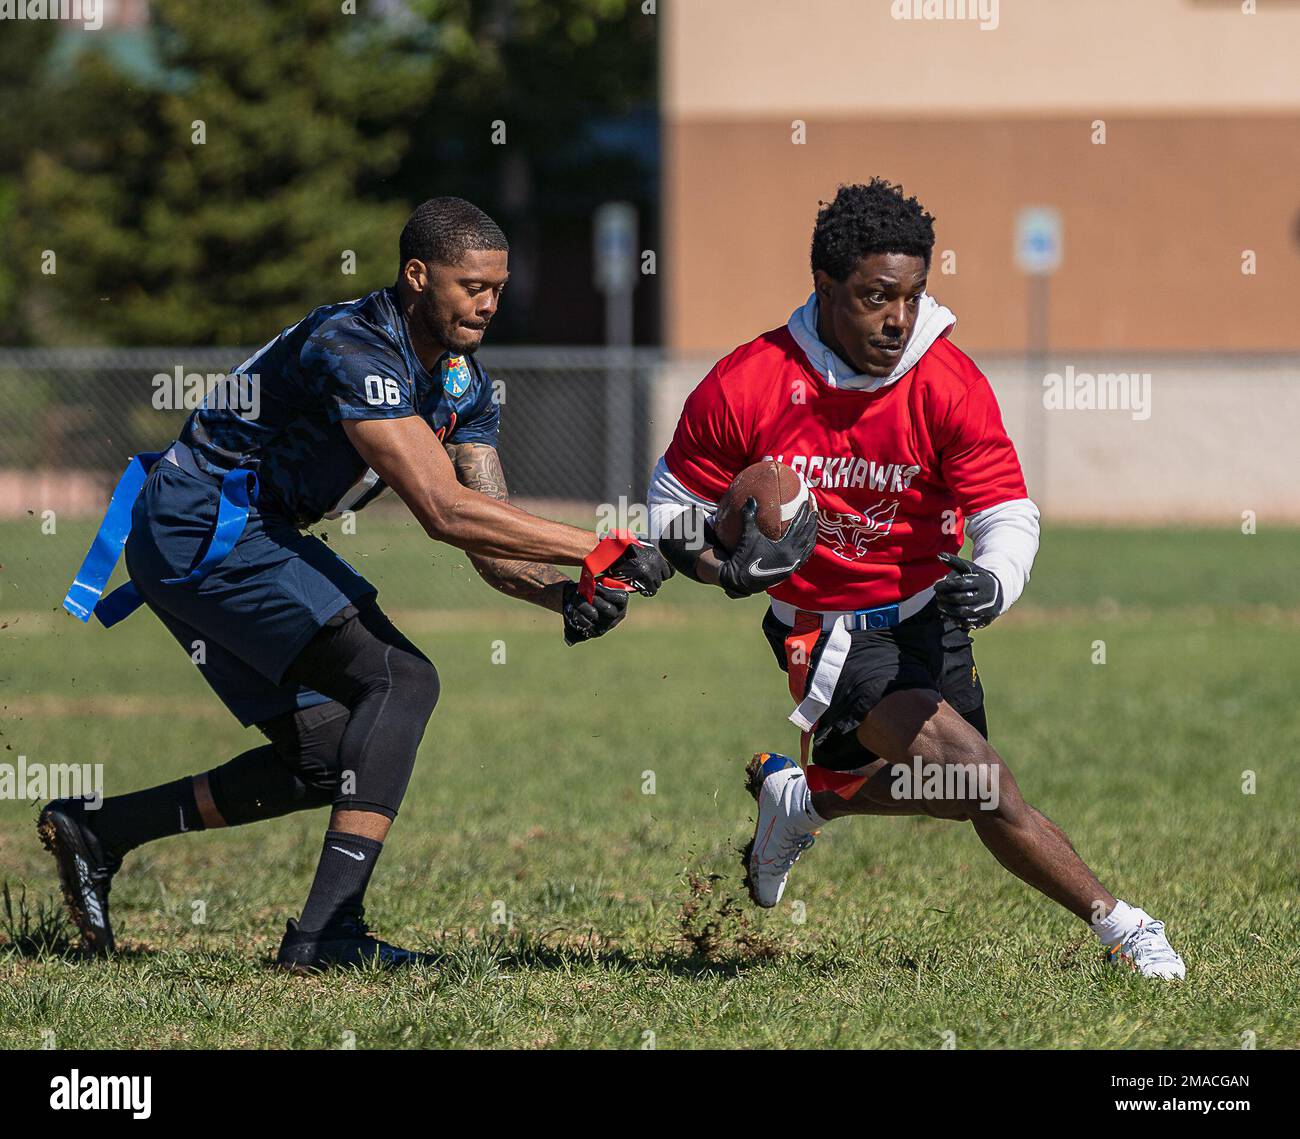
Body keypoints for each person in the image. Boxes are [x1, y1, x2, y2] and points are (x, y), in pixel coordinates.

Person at [44, 196, 671, 971]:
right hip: (202, 521)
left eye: (499, 288)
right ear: (417, 275)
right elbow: (444, 510)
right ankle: (325, 936)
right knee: (402, 680)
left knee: (328, 753)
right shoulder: (352, 343)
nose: (489, 303)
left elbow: (489, 526)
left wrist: (559, 593)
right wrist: (596, 546)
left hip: (225, 533)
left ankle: (101, 829)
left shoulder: (463, 384)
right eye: (471, 284)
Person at [647, 179, 1185, 979]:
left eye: (912, 295)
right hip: (823, 627)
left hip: (930, 616)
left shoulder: (946, 381)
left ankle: (802, 801)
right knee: (984, 780)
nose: (897, 318)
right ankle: (1125, 927)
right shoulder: (751, 379)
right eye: (874, 297)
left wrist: (997, 579)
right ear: (826, 288)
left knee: (949, 788)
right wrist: (718, 566)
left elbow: (1008, 509)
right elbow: (667, 506)